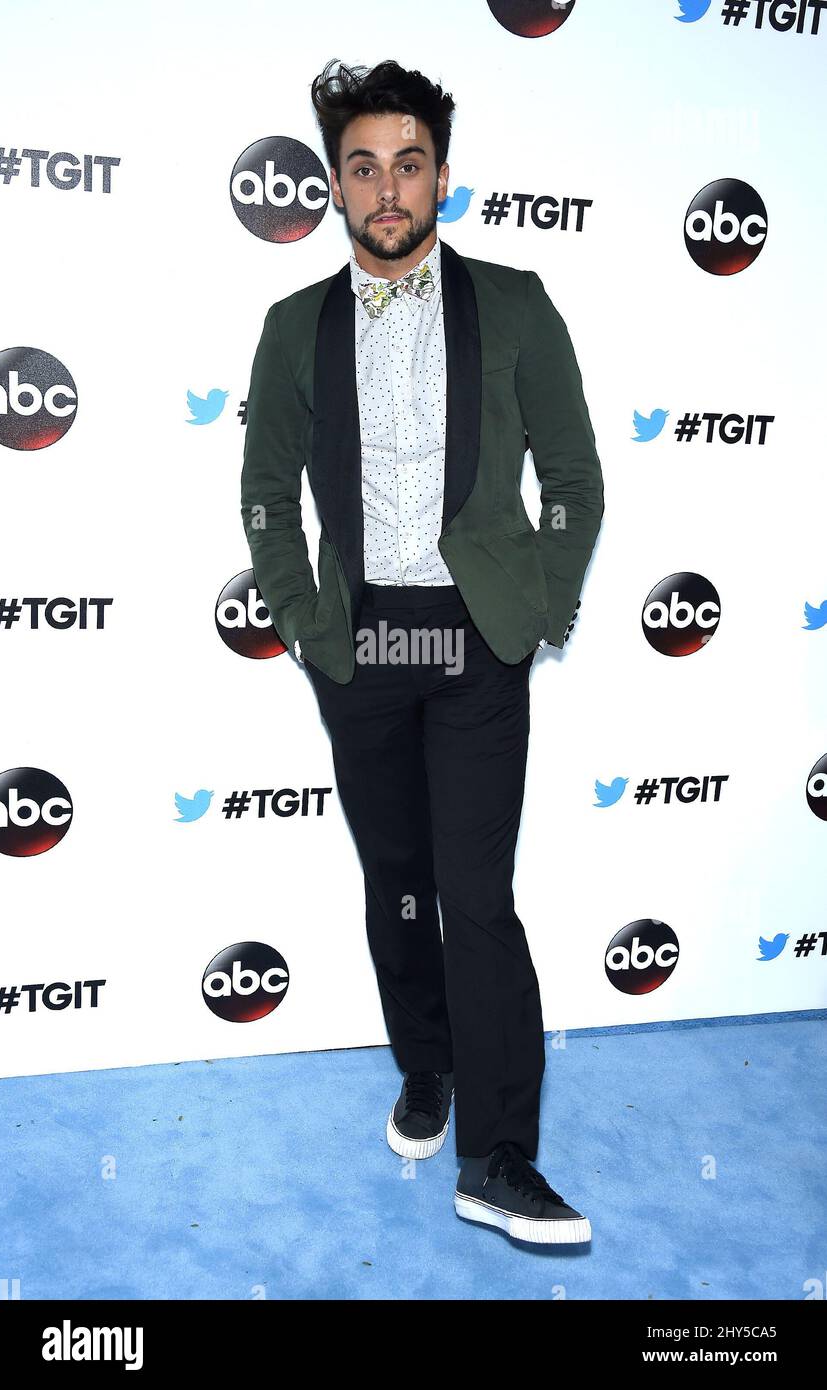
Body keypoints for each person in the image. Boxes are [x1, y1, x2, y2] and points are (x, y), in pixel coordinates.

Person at [240, 57, 604, 1246]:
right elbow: (263, 493)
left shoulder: (516, 302)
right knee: (396, 885)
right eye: (363, 168)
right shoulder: (294, 326)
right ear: (336, 189)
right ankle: (425, 1065)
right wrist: (304, 624)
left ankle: (499, 1157)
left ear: (442, 176)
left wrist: (533, 615)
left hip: (473, 644)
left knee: (476, 898)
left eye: (408, 164)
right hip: (361, 645)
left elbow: (575, 478)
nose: (386, 188)